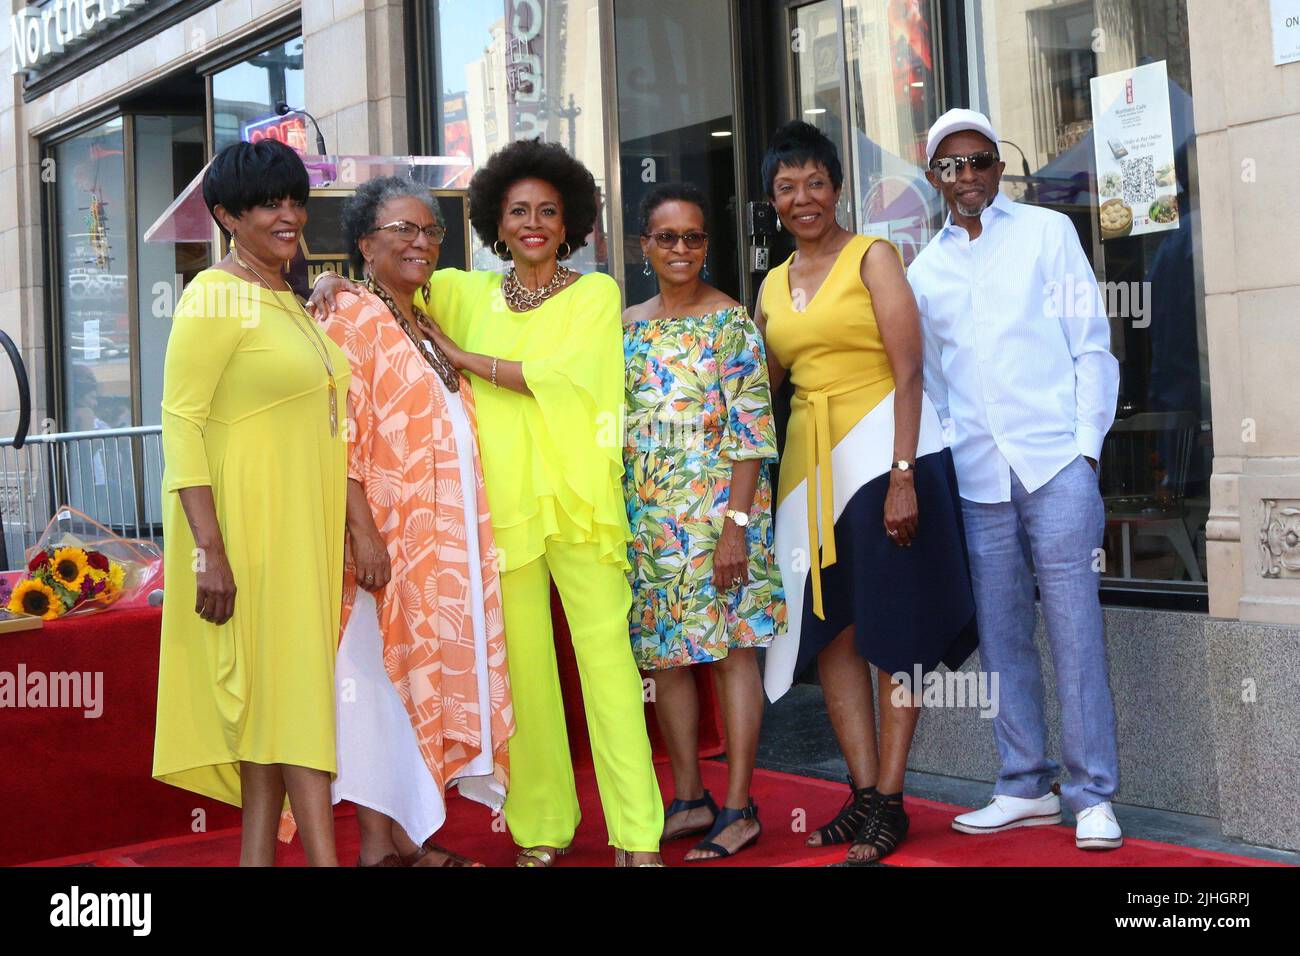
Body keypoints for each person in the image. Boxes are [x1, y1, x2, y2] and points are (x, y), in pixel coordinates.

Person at [311, 139, 664, 867]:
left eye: (548, 212)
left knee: (609, 671)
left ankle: (638, 836)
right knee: (526, 674)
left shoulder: (595, 295)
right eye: (517, 212)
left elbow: (570, 379)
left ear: (571, 226)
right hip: (497, 515)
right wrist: (331, 289)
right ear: (495, 226)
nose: (533, 224)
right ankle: (541, 827)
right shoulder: (465, 293)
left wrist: (468, 359)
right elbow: (387, 290)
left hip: (577, 506)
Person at [755, 121, 978, 864]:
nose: (803, 198)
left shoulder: (872, 256)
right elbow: (763, 390)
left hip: (887, 463)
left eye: (815, 182)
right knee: (835, 637)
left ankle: (893, 794)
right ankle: (863, 796)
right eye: (787, 187)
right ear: (773, 200)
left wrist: (905, 475)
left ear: (837, 187)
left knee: (896, 632)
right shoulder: (772, 283)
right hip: (810, 473)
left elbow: (907, 369)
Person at [909, 108, 1123, 850]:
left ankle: (1092, 793)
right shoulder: (922, 269)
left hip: (1055, 464)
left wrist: (1086, 453)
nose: (965, 176)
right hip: (977, 480)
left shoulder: (1046, 234)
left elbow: (1092, 348)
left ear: (1000, 167)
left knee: (1075, 632)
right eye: (950, 165)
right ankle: (1023, 783)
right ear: (934, 175)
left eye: (978, 161)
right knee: (1002, 640)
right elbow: (932, 384)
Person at [152, 140, 349, 866]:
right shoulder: (215, 292)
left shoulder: (286, 294)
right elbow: (182, 423)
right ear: (229, 215)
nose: (288, 214)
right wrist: (211, 550)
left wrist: (321, 296)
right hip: (249, 533)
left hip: (303, 531)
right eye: (269, 202)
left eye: (295, 199)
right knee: (294, 703)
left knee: (275, 706)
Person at [315, 176, 514, 867]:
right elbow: (334, 431)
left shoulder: (422, 318)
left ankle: (405, 837)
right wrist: (362, 532)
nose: (421, 242)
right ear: (365, 245)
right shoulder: (350, 316)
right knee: (377, 685)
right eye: (402, 230)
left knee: (408, 689)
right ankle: (378, 845)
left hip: (439, 547)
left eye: (430, 230)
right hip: (384, 543)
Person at [623, 183, 785, 861]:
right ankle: (690, 797)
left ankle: (741, 807)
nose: (682, 249)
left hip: (725, 522)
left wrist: (735, 528)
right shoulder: (626, 325)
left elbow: (753, 432)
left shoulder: (732, 323)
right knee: (670, 660)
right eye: (668, 238)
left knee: (733, 654)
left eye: (693, 237)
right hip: (651, 527)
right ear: (645, 247)